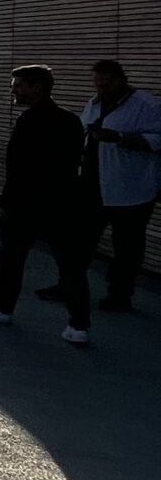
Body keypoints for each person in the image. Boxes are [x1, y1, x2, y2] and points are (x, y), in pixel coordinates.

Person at [0, 65, 90, 343]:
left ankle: (2, 306)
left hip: (26, 204)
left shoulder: (29, 121)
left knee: (12, 257)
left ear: (38, 88)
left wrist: (4, 201)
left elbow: (18, 167)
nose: (14, 90)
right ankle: (79, 325)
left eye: (19, 85)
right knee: (70, 265)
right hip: (63, 203)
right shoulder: (70, 120)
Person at [72, 58, 161, 313]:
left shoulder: (147, 105)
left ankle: (120, 295)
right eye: (97, 83)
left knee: (127, 246)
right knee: (80, 240)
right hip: (92, 184)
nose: (101, 88)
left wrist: (121, 138)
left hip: (131, 189)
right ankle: (69, 284)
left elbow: (158, 139)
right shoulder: (94, 103)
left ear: (121, 80)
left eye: (107, 83)